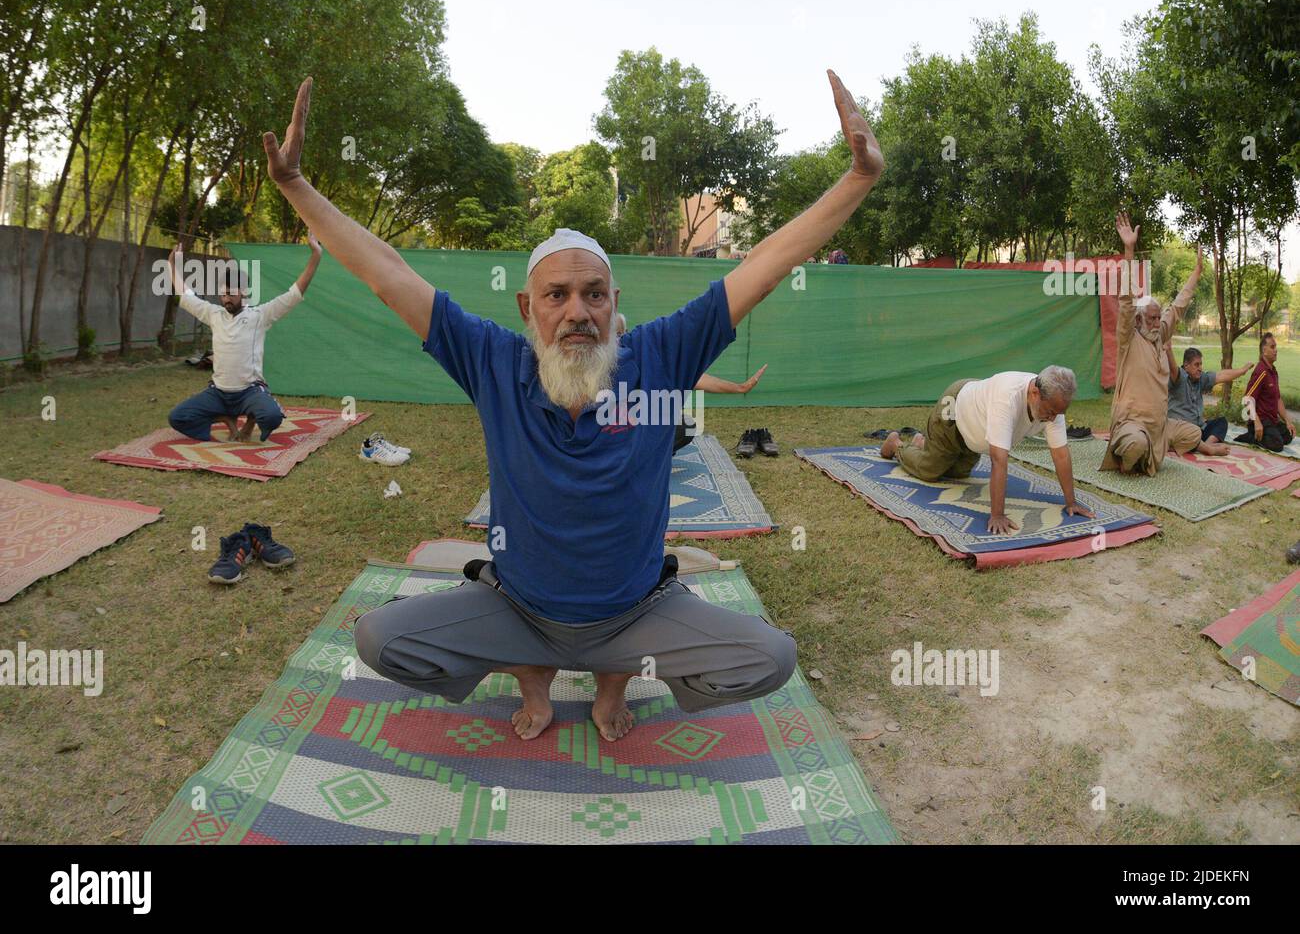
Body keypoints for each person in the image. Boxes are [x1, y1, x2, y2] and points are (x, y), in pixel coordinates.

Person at [261, 70, 883, 741]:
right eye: (557, 295)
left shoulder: (662, 355)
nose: (578, 311)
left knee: (771, 656)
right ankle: (532, 677)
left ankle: (615, 683)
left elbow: (764, 264)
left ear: (616, 306)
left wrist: (857, 179)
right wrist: (296, 186)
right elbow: (388, 274)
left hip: (635, 613)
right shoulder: (494, 361)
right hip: (521, 609)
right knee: (381, 638)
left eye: (594, 293)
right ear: (529, 309)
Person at [879, 367, 1093, 534]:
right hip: (955, 410)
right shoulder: (1007, 398)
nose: (1054, 419)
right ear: (1034, 393)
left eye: (1059, 413)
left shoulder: (1053, 401)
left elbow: (1061, 454)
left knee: (958, 474)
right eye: (1050, 412)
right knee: (931, 470)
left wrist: (1071, 502)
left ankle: (923, 444)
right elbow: (999, 460)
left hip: (975, 429)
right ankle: (896, 444)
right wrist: (997, 515)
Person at [166, 237, 320, 442]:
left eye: (231, 293)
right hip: (219, 393)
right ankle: (226, 418)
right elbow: (186, 295)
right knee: (178, 417)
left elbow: (294, 293)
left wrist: (316, 256)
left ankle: (250, 421)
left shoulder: (260, 316)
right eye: (222, 295)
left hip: (250, 391)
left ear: (244, 292)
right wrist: (171, 265)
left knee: (272, 417)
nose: (226, 299)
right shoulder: (213, 314)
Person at [1100, 214, 1205, 474]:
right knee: (1135, 443)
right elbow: (1125, 300)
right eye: (1152, 318)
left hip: (1159, 425)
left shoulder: (1161, 336)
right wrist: (1129, 250)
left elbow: (1179, 305)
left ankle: (1151, 447)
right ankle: (1129, 457)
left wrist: (1197, 272)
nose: (1158, 322)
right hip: (1132, 424)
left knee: (1193, 433)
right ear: (1138, 320)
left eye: (1159, 318)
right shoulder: (1129, 338)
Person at [616, 311, 769, 452]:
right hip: (610, 434)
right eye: (616, 334)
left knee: (684, 426)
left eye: (622, 332)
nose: (621, 337)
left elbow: (697, 379)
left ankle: (644, 458)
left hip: (637, 430)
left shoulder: (640, 354)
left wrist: (739, 388)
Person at [1166, 347, 1251, 456]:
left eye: (1201, 364)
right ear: (1186, 366)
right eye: (1196, 365)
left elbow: (1221, 375)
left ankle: (1205, 445)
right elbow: (1172, 367)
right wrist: (1168, 348)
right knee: (1188, 435)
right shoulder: (1179, 377)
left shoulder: (1201, 378)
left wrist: (1242, 371)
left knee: (1221, 422)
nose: (1200, 368)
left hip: (1198, 430)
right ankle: (1205, 448)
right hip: (1182, 432)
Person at [1235, 332, 1295, 452]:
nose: (1276, 350)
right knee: (1277, 445)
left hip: (1271, 421)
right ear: (1264, 350)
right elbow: (1247, 399)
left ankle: (1268, 434)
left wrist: (1288, 421)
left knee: (1288, 435)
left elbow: (1278, 399)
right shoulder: (1261, 371)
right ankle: (1252, 436)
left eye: (1276, 347)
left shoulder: (1273, 371)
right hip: (1260, 420)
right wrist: (1256, 422)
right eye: (1272, 347)